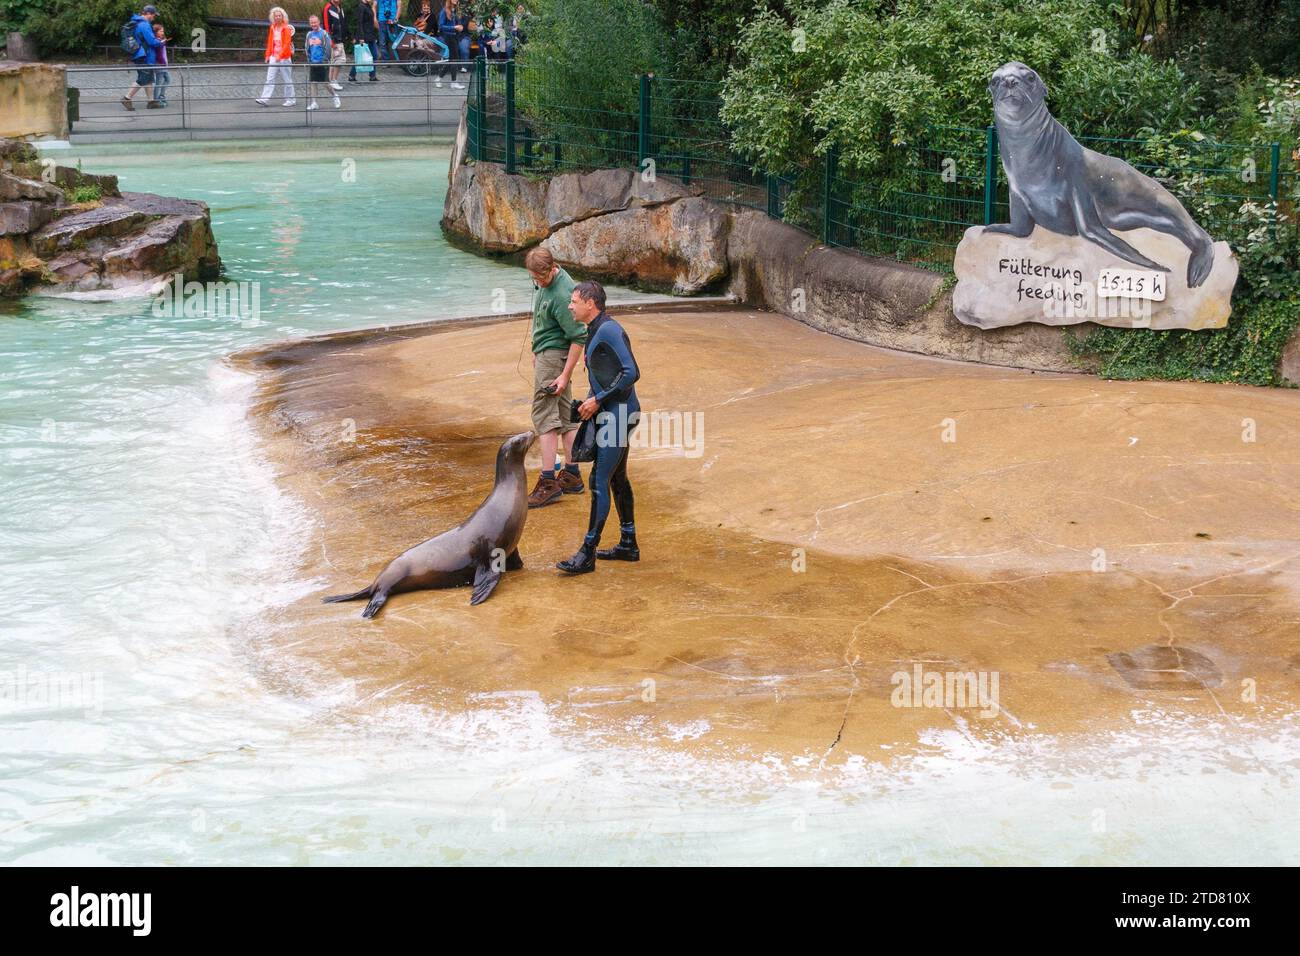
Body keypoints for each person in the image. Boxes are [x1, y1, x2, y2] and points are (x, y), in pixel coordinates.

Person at [556, 280, 641, 574]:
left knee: (597, 481)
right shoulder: (595, 329)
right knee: (617, 478)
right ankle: (628, 543)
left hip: (619, 415)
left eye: (574, 301)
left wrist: (598, 400)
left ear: (590, 303)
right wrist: (591, 401)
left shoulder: (609, 329)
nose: (570, 305)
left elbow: (632, 372)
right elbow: (610, 374)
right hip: (613, 411)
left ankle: (587, 552)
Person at [523, 247, 586, 509]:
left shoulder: (561, 294)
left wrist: (563, 374)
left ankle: (548, 482)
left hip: (556, 358)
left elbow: (579, 335)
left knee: (544, 417)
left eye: (541, 277)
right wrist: (537, 348)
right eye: (533, 278)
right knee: (565, 417)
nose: (537, 282)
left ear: (551, 269)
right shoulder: (545, 280)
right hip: (548, 352)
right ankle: (571, 474)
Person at [120, 5, 163, 112]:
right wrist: (160, 42)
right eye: (153, 14)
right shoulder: (144, 25)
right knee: (143, 78)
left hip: (140, 54)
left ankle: (151, 101)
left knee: (148, 78)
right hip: (145, 56)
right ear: (148, 13)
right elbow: (151, 41)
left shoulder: (138, 22)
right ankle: (127, 98)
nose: (154, 17)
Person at [256, 7, 296, 107]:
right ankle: (264, 99)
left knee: (287, 78)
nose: (278, 17)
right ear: (273, 17)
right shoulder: (272, 27)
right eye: (276, 16)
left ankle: (291, 99)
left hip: (284, 57)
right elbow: (270, 42)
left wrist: (280, 55)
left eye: (279, 15)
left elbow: (287, 44)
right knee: (269, 78)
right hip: (274, 56)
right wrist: (267, 55)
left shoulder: (286, 28)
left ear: (283, 17)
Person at [304, 15, 339, 110]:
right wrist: (309, 59)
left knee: (325, 83)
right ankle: (314, 102)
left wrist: (325, 60)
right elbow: (307, 48)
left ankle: (335, 96)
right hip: (313, 62)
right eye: (312, 23)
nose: (313, 24)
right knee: (313, 82)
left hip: (322, 62)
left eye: (315, 22)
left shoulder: (324, 34)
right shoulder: (309, 34)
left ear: (319, 22)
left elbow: (327, 48)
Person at [435, 0, 466, 89]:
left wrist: (460, 26)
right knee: (454, 59)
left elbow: (457, 24)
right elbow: (441, 26)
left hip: (455, 37)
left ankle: (439, 78)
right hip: (448, 38)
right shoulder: (444, 11)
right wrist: (454, 27)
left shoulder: (454, 10)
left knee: (452, 60)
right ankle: (453, 82)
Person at [349, 0, 380, 82]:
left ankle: (372, 76)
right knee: (360, 57)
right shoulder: (361, 7)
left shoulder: (368, 6)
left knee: (374, 55)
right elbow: (360, 23)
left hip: (371, 36)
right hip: (364, 37)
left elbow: (371, 22)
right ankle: (352, 76)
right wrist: (361, 38)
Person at [323, 0, 347, 90]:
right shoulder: (328, 7)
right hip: (334, 39)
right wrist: (330, 40)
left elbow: (343, 23)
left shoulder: (340, 7)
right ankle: (333, 80)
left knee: (334, 60)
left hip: (340, 38)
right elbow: (326, 26)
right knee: (340, 60)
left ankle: (331, 80)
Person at [151, 23, 171, 107]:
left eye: (163, 31)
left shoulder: (160, 40)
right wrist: (163, 63)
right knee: (158, 83)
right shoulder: (157, 41)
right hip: (159, 65)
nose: (163, 32)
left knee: (168, 79)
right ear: (156, 32)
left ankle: (161, 96)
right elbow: (159, 55)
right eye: (161, 31)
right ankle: (156, 100)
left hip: (163, 64)